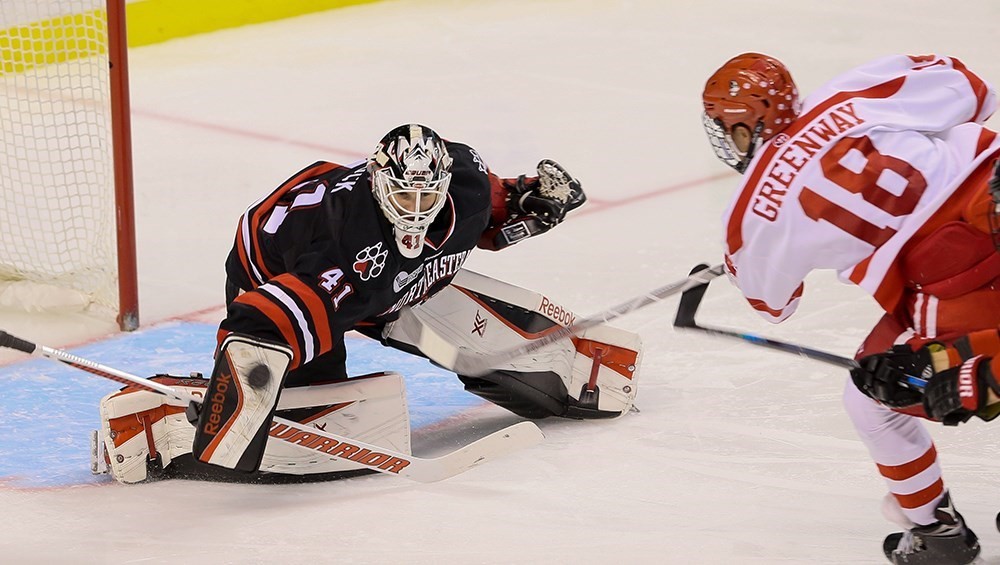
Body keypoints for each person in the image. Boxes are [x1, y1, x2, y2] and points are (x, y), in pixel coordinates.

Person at [93, 123, 644, 484]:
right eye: (404, 196)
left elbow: (494, 210)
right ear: (379, 183)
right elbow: (265, 319)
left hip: (388, 286)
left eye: (429, 198)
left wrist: (530, 199)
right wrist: (238, 391)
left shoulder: (466, 185)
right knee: (343, 428)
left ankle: (569, 374)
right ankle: (170, 419)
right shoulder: (347, 246)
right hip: (276, 270)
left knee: (470, 326)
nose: (417, 210)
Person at [701, 53, 1000, 564]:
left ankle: (936, 531)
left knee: (875, 394)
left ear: (744, 126)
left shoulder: (750, 211)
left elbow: (774, 306)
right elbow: (976, 91)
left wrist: (740, 264)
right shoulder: (852, 91)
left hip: (956, 277)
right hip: (993, 188)